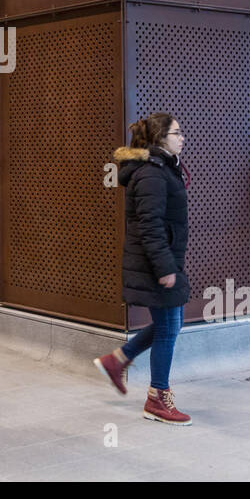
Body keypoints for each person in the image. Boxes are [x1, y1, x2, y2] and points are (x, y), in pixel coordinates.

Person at [94, 112, 193, 425]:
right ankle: (157, 399)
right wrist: (165, 267)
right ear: (160, 138)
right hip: (155, 262)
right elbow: (149, 225)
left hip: (162, 258)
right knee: (168, 328)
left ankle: (117, 360)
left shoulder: (160, 167)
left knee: (170, 324)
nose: (182, 138)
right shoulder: (151, 173)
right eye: (176, 133)